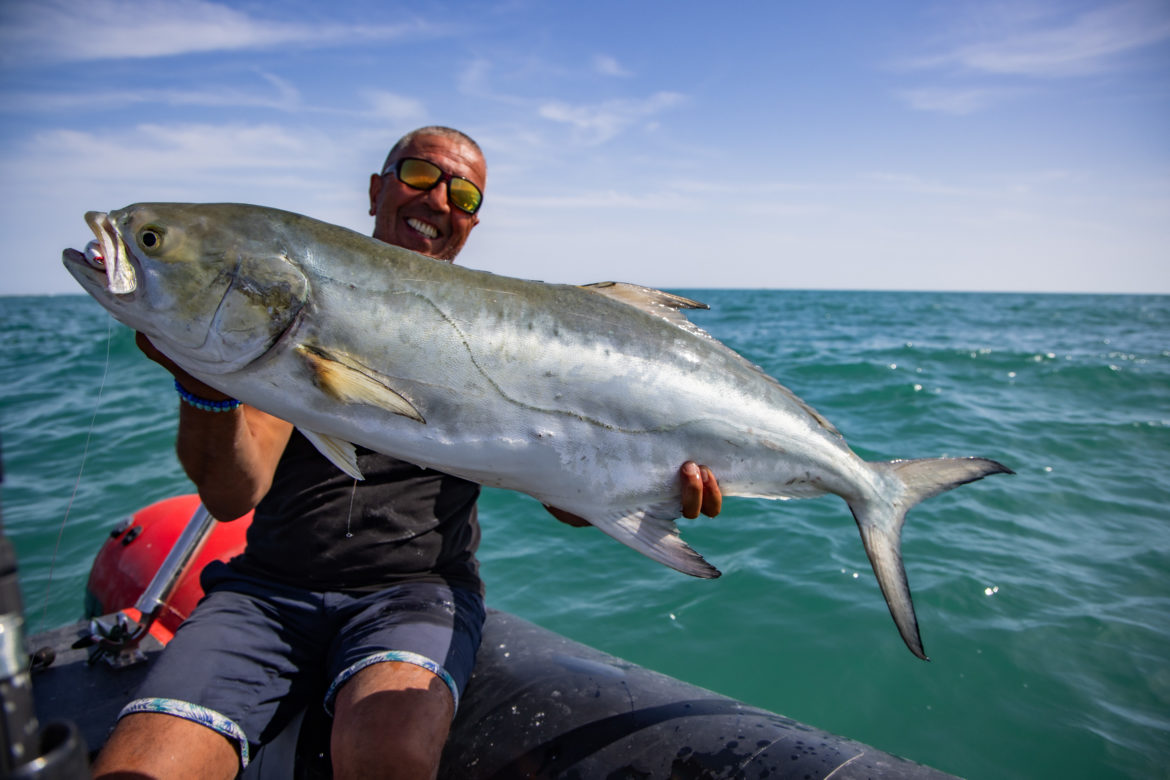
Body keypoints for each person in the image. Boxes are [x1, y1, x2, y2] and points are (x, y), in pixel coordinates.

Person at [92, 126, 722, 780]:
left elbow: (557, 487)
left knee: (386, 756)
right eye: (420, 174)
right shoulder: (301, 295)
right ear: (376, 187)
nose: (439, 199)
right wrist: (206, 390)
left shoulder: (505, 329)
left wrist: (646, 483)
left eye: (465, 192)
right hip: (268, 592)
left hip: (417, 591)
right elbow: (230, 496)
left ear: (473, 223)